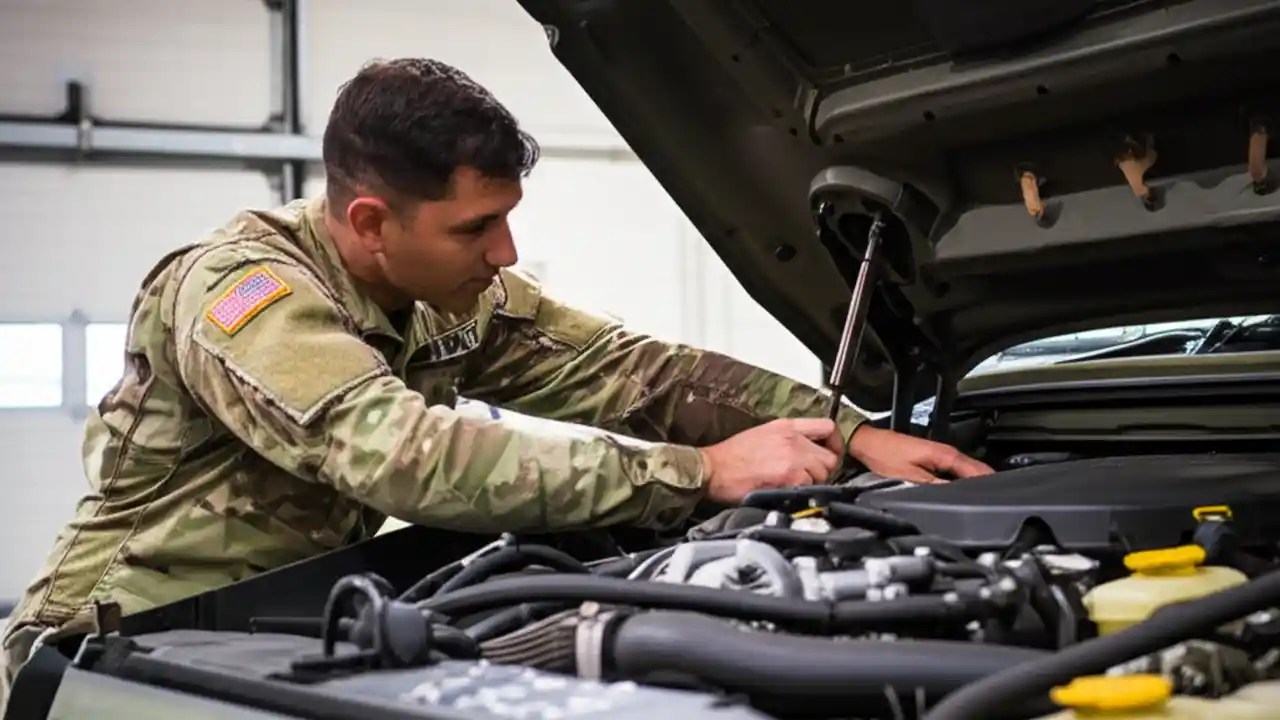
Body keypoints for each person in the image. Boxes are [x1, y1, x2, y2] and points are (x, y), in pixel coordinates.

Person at [0, 58, 991, 705]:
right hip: (115, 661)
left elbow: (624, 369)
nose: (504, 251)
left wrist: (848, 431)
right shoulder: (242, 294)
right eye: (475, 228)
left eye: (506, 218)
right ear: (370, 224)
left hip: (288, 629)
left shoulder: (451, 295)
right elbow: (399, 455)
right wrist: (696, 475)